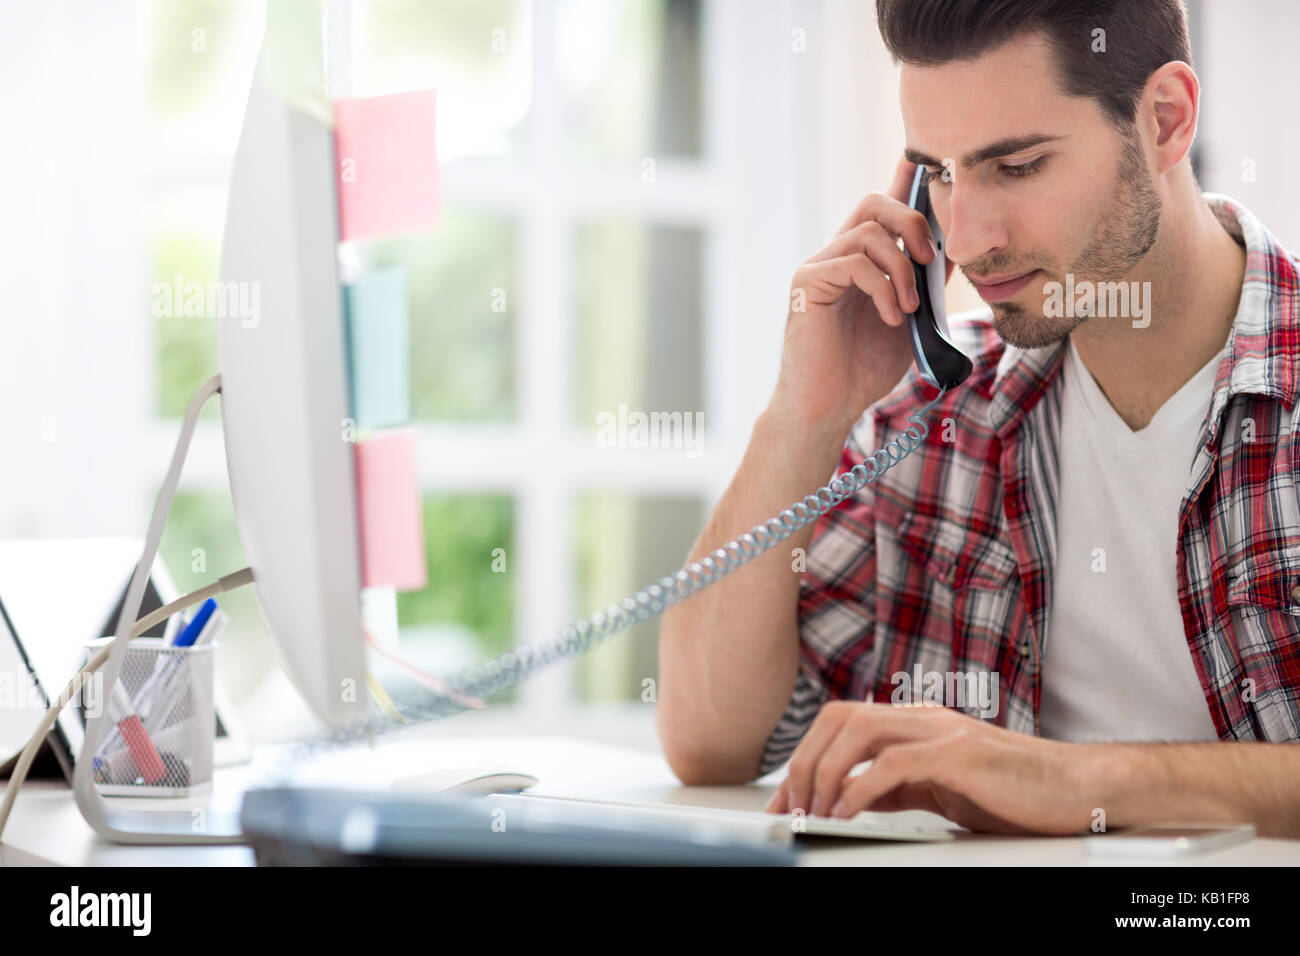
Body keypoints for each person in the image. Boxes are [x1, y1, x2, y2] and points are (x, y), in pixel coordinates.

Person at [657, 0, 1300, 837]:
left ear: (1165, 121)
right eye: (942, 173)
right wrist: (803, 417)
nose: (965, 240)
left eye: (1019, 166)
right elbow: (709, 743)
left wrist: (1082, 782)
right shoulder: (933, 411)